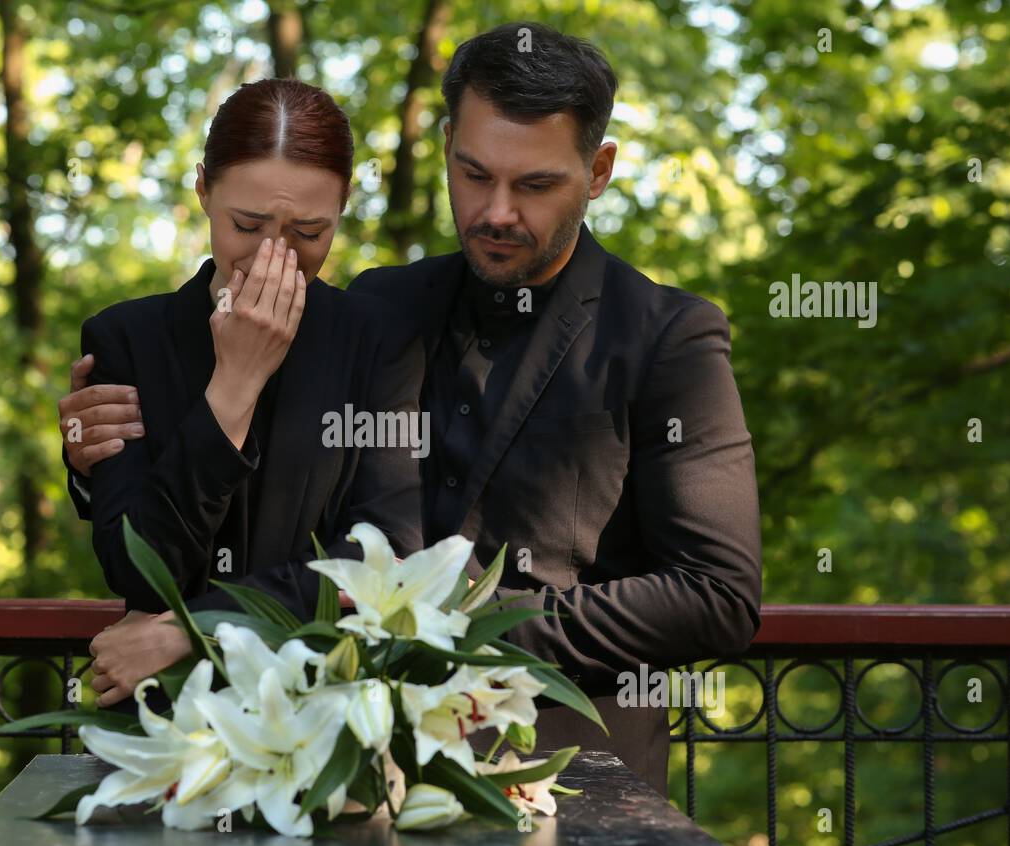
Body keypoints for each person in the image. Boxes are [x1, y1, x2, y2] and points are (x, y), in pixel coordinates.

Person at [62, 24, 763, 796]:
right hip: (345, 770)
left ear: (597, 173)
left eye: (534, 184)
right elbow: (266, 498)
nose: (495, 211)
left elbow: (717, 595)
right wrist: (99, 463)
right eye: (473, 174)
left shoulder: (669, 336)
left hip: (568, 774)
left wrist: (433, 621)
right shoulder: (377, 307)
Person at [62, 78, 424, 709]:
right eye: (247, 224)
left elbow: (379, 555)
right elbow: (139, 566)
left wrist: (193, 628)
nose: (271, 257)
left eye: (309, 232)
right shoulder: (124, 339)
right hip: (166, 718)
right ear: (203, 189)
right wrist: (234, 384)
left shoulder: (380, 340)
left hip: (331, 707)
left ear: (342, 208)